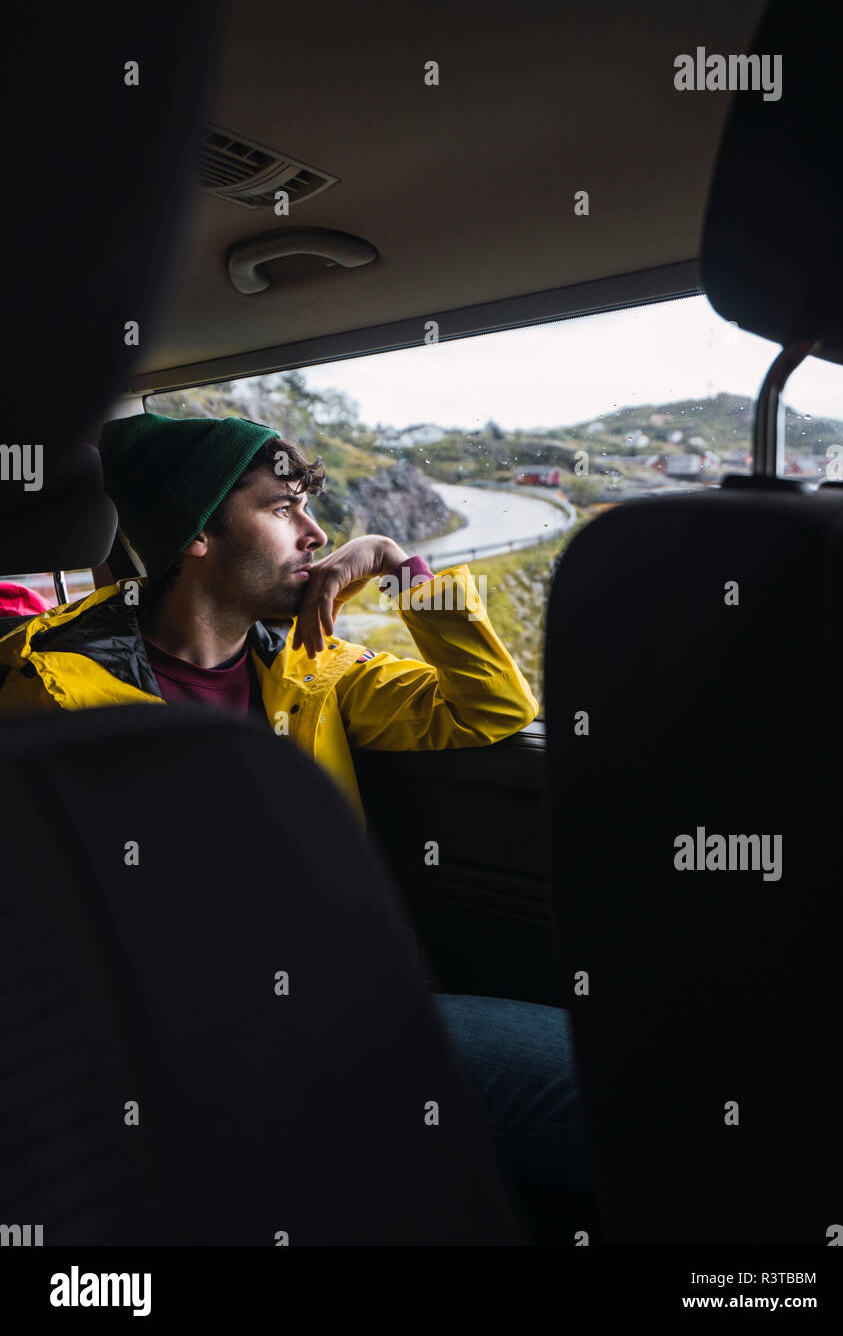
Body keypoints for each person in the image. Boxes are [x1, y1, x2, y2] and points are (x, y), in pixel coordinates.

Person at [0, 411, 589, 1242]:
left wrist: (397, 562)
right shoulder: (50, 691)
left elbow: (491, 707)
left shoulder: (308, 661)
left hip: (347, 1007)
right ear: (197, 534)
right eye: (282, 508)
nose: (316, 533)